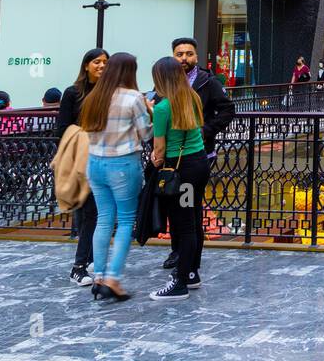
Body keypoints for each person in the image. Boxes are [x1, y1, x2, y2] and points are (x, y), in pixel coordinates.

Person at [80, 52, 153, 301]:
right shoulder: (133, 98)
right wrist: (151, 112)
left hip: (95, 163)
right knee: (124, 221)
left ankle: (98, 276)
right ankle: (113, 278)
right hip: (122, 163)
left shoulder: (93, 97)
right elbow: (146, 135)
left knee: (103, 219)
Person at [165, 38, 235, 275]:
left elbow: (227, 110)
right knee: (175, 204)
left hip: (199, 155)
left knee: (190, 206)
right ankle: (178, 251)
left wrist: (206, 131)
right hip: (173, 156)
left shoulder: (208, 82)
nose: (184, 58)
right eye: (179, 54)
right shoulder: (167, 82)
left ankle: (190, 261)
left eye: (189, 54)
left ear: (196, 56)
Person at [148, 56, 211, 299]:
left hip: (180, 171)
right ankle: (192, 273)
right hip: (198, 163)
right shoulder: (192, 97)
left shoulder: (163, 108)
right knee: (194, 219)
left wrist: (155, 159)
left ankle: (180, 282)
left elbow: (160, 149)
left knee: (183, 225)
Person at [56, 48, 108, 288]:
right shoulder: (73, 93)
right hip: (81, 159)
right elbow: (62, 129)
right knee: (89, 213)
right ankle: (78, 267)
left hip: (104, 159)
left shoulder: (109, 94)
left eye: (105, 62)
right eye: (96, 61)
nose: (101, 66)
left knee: (96, 213)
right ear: (86, 65)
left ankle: (87, 260)